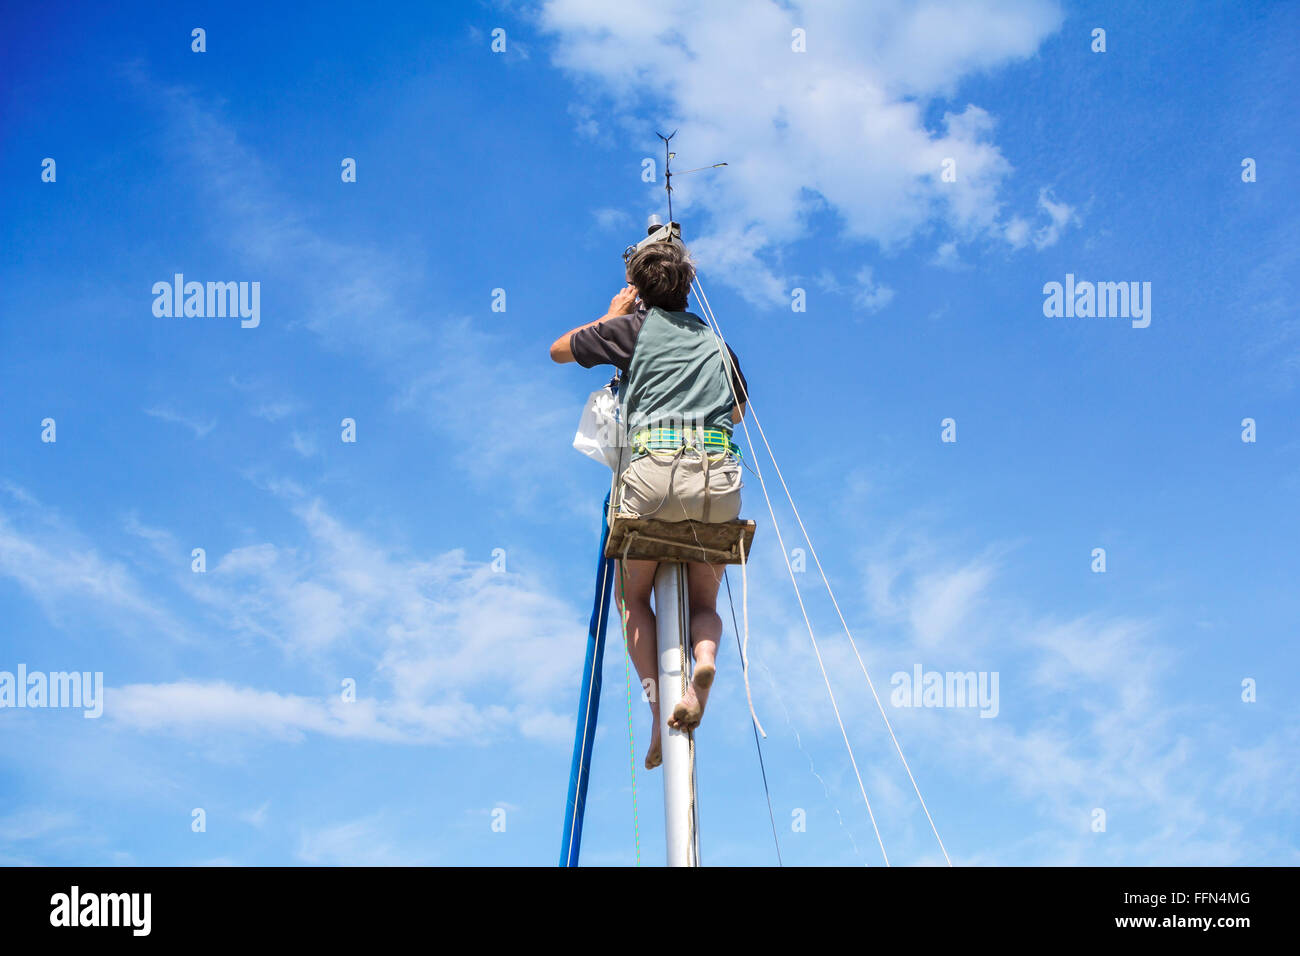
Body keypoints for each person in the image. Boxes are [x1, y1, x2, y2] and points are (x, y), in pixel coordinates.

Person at [549, 240, 748, 770]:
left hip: (656, 476)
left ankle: (660, 709)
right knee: (705, 604)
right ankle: (703, 662)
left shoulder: (632, 329)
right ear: (688, 285)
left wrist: (611, 315)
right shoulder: (716, 343)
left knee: (632, 597)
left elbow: (559, 350)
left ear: (638, 289)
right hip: (719, 481)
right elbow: (738, 409)